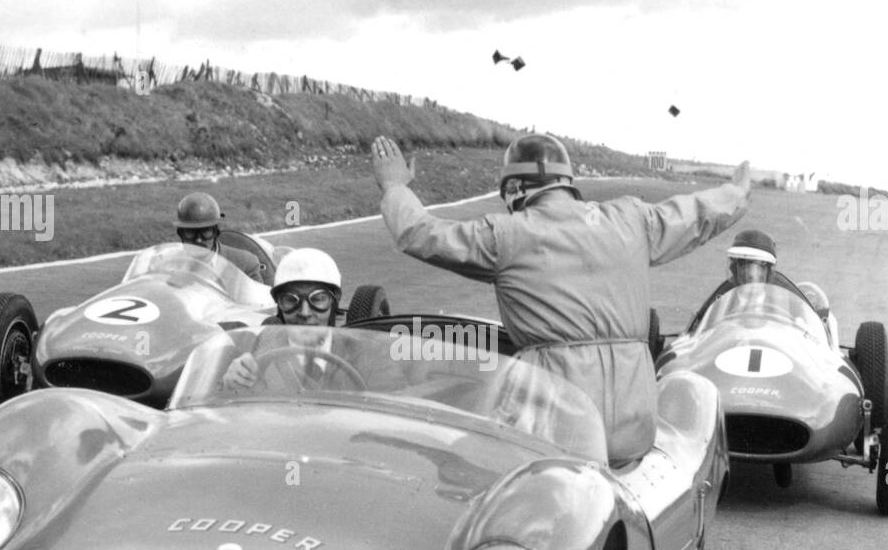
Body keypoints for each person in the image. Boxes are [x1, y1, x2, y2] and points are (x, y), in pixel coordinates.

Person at [370, 133, 751, 467]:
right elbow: (696, 212)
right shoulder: (631, 219)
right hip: (634, 427)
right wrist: (735, 191)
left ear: (515, 189)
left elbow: (420, 234)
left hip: (558, 427)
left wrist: (395, 187)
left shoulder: (506, 234)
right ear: (566, 182)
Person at [222, 248, 344, 392]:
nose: (305, 313)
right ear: (279, 304)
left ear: (334, 302)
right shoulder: (256, 351)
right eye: (291, 300)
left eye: (317, 299)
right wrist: (230, 385)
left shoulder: (361, 355)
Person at [687, 228, 815, 327]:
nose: (750, 273)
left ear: (769, 270)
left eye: (758, 265)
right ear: (734, 267)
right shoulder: (720, 298)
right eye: (742, 264)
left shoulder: (789, 300)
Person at [175, 191, 267, 282]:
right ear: (180, 234)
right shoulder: (169, 265)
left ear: (216, 232)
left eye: (205, 231)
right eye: (191, 232)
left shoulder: (245, 265)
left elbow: (257, 296)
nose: (198, 240)